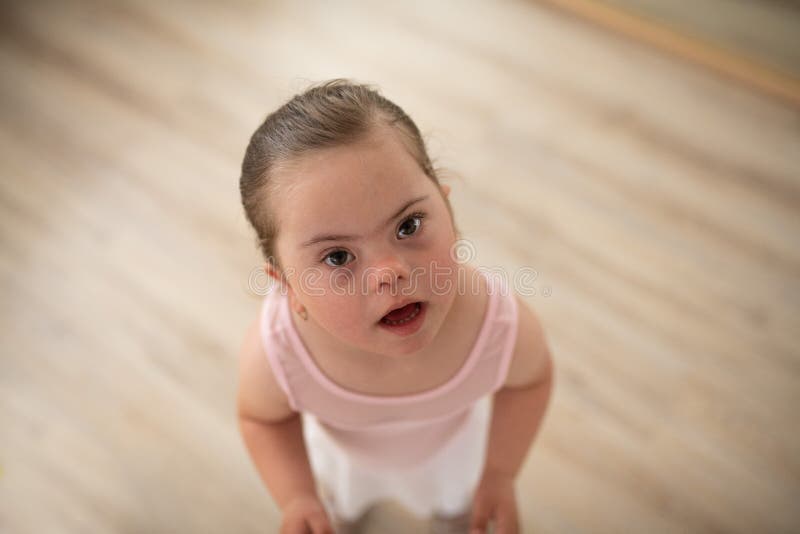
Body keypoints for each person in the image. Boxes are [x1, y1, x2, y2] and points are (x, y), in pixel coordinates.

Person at [236, 79, 554, 534]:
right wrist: (297, 497)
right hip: (349, 458)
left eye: (408, 225)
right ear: (289, 288)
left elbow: (530, 381)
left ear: (448, 210)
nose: (390, 273)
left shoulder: (498, 326)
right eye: (338, 257)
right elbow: (262, 418)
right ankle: (339, 513)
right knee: (341, 505)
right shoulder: (278, 357)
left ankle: (452, 515)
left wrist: (500, 474)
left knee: (456, 509)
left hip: (451, 451)